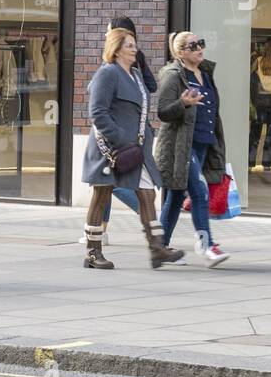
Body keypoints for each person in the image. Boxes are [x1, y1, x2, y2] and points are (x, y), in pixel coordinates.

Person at [80, 26, 182, 270]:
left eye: (135, 44)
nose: (135, 48)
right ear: (115, 50)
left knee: (147, 192)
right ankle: (93, 252)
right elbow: (97, 113)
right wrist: (119, 138)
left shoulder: (135, 75)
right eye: (129, 45)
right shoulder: (108, 74)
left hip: (136, 149)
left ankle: (156, 248)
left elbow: (150, 91)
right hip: (110, 148)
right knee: (102, 194)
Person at [157, 31, 229, 266]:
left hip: (202, 143)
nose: (200, 48)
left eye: (201, 43)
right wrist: (183, 103)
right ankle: (207, 246)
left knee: (177, 195)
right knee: (199, 192)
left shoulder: (205, 73)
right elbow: (163, 111)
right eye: (193, 45)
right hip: (181, 146)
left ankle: (159, 248)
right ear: (180, 52)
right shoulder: (174, 76)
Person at [249, 38, 271, 175]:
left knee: (255, 133)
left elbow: (250, 76)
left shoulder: (259, 60)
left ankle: (250, 162)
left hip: (260, 101)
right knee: (270, 133)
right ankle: (267, 164)